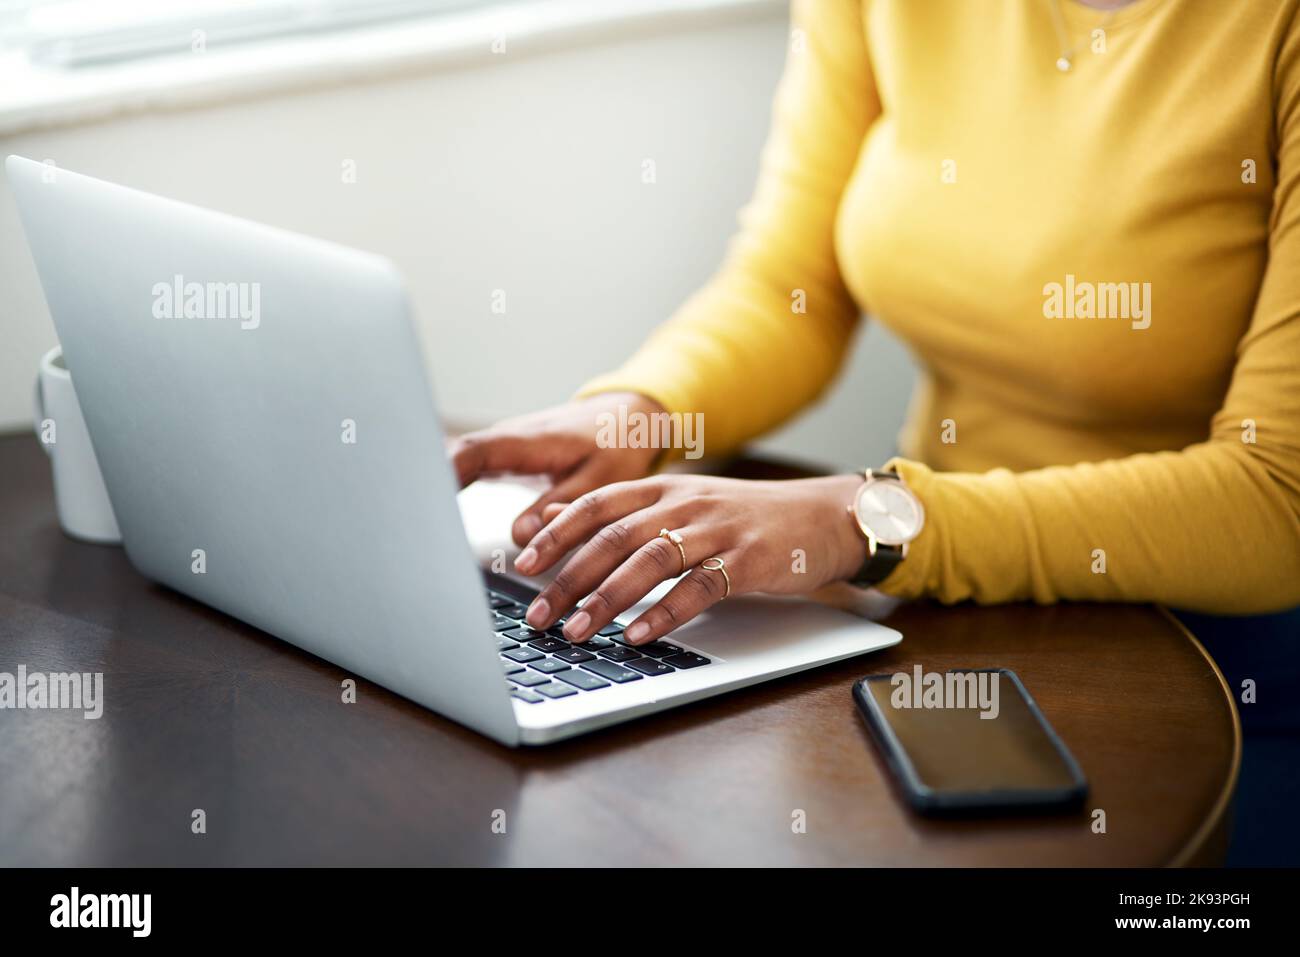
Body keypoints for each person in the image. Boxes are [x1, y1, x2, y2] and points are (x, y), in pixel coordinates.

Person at [451, 0, 1300, 656]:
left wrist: (861, 518)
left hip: (1218, 654)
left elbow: (1278, 496)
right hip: (942, 599)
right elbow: (794, 289)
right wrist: (641, 411)